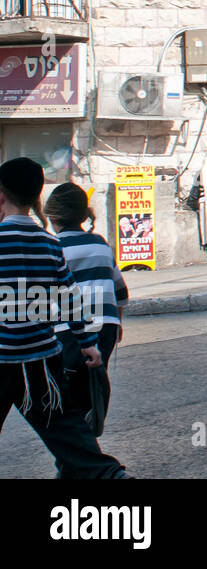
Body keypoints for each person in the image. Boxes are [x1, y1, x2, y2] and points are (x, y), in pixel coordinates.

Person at [0, 158, 128, 478]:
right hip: (40, 361)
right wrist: (88, 344)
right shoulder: (48, 243)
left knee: (65, 426)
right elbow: (70, 299)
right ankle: (111, 475)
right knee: (66, 431)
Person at [45, 183, 128, 446]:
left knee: (69, 395)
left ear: (52, 216)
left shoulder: (53, 247)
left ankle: (82, 460)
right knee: (89, 386)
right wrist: (119, 324)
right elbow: (120, 291)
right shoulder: (101, 245)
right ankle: (85, 450)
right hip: (106, 326)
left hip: (69, 331)